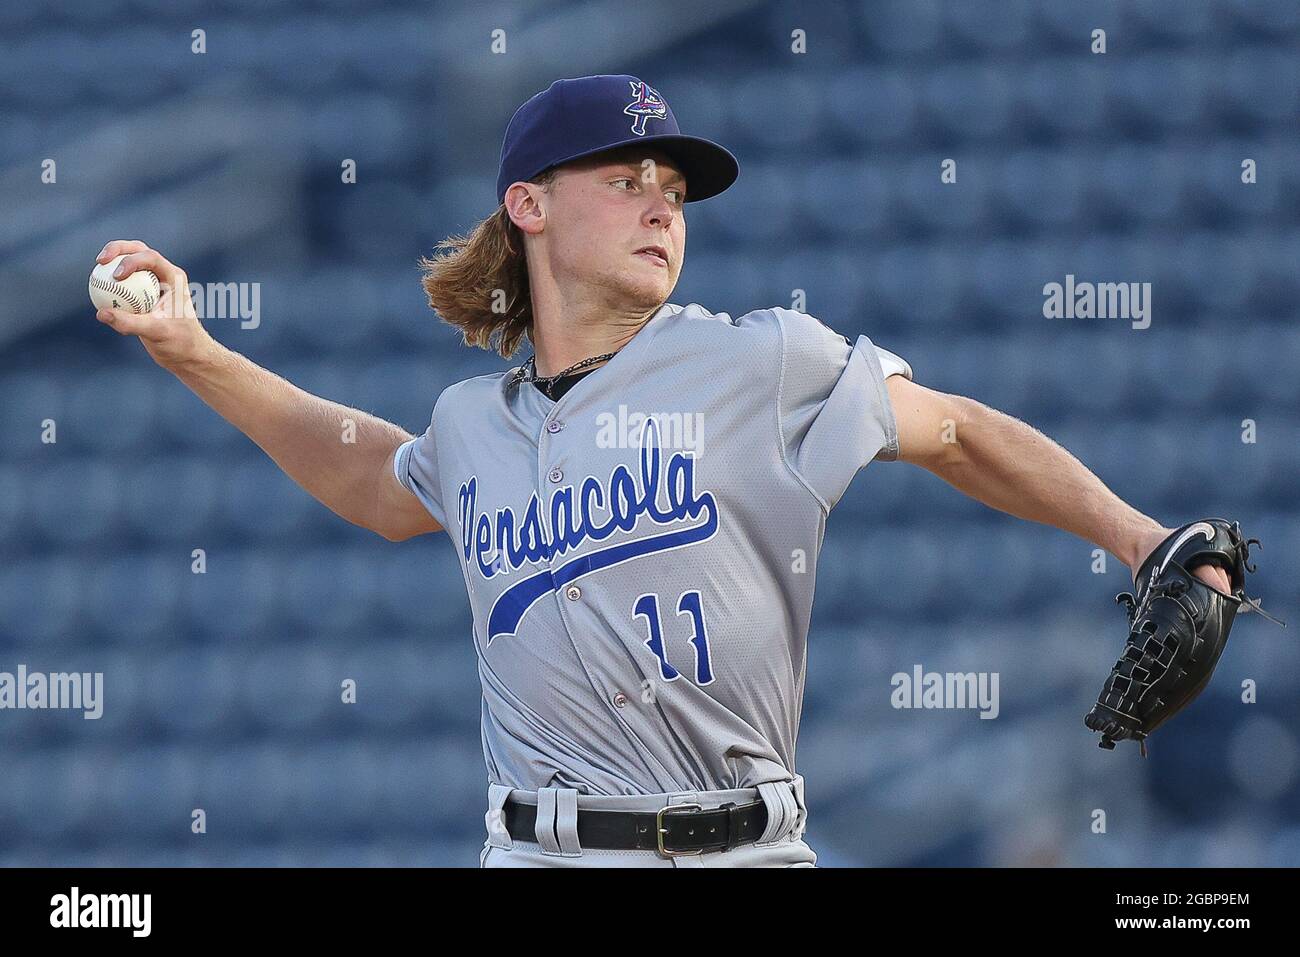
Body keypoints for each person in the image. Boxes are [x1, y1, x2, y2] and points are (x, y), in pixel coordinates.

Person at [93, 74, 1229, 868]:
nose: (661, 204)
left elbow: (958, 431)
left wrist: (1140, 540)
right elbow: (367, 481)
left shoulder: (760, 358)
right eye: (627, 177)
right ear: (526, 206)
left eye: (674, 193)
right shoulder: (470, 426)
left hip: (750, 852)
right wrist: (195, 350)